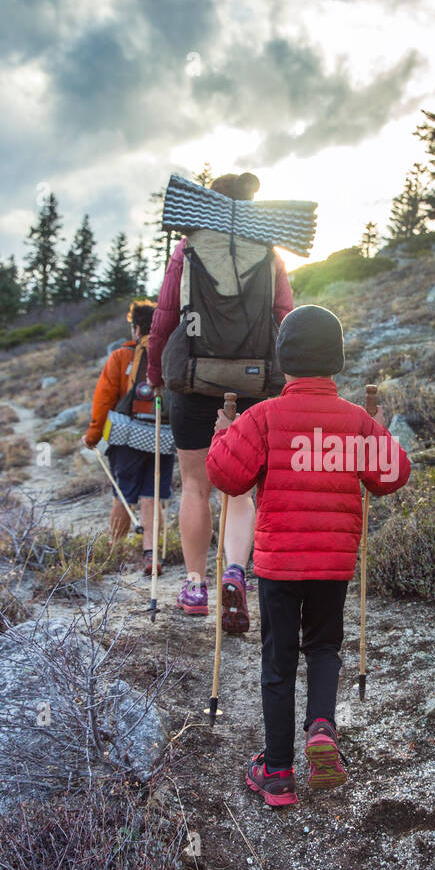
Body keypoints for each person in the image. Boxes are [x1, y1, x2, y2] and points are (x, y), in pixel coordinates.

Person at [205, 304, 411, 807]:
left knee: (277, 661)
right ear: (336, 360)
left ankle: (277, 772)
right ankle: (321, 726)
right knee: (323, 647)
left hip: (279, 563)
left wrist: (223, 433)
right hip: (333, 562)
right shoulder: (355, 422)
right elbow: (393, 475)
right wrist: (377, 430)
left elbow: (227, 477)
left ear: (283, 360)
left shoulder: (263, 417)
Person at [146, 171, 293, 625]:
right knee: (241, 485)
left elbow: (164, 319)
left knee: (194, 483)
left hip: (192, 380)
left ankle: (194, 587)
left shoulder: (188, 248)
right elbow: (285, 316)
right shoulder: (269, 251)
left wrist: (155, 374)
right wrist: (283, 380)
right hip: (251, 383)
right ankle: (234, 570)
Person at [83, 299, 174, 575]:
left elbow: (104, 399)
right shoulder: (169, 354)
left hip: (126, 437)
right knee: (152, 495)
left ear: (136, 328)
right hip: (162, 435)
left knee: (123, 495)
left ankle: (113, 550)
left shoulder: (122, 356)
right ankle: (151, 555)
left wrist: (93, 434)